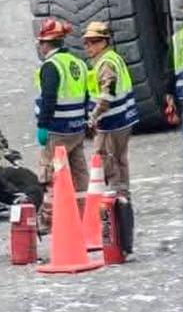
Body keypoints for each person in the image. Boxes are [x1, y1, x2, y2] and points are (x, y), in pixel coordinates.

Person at [33, 18, 90, 231]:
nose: (40, 46)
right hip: (76, 128)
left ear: (47, 44)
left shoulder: (51, 66)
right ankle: (85, 216)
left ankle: (49, 220)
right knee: (79, 174)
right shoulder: (78, 64)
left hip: (57, 130)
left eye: (41, 42)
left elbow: (49, 98)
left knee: (49, 173)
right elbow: (86, 96)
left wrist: (43, 125)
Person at [82, 22, 139, 198]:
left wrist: (93, 116)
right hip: (122, 118)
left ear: (103, 42)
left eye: (92, 42)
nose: (88, 46)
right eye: (86, 42)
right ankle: (122, 192)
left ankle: (116, 191)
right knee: (118, 157)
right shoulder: (111, 58)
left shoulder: (106, 63)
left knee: (106, 156)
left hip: (113, 120)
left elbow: (107, 95)